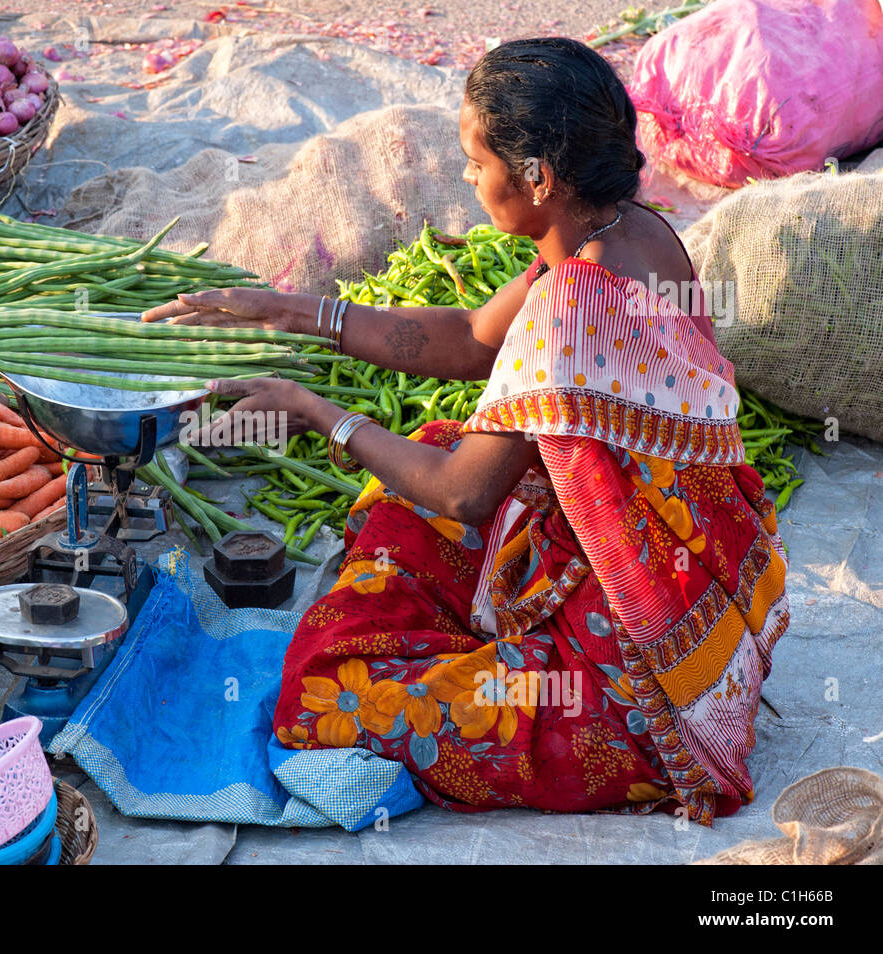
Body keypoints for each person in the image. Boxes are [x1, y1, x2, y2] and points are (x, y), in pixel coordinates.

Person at [141, 37, 788, 825]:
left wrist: (317, 411)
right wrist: (292, 310)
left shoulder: (572, 308)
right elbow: (477, 338)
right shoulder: (631, 233)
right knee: (437, 452)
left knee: (327, 689)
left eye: (475, 161)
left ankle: (612, 712)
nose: (466, 178)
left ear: (537, 177)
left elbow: (464, 496)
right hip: (704, 581)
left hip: (645, 662)